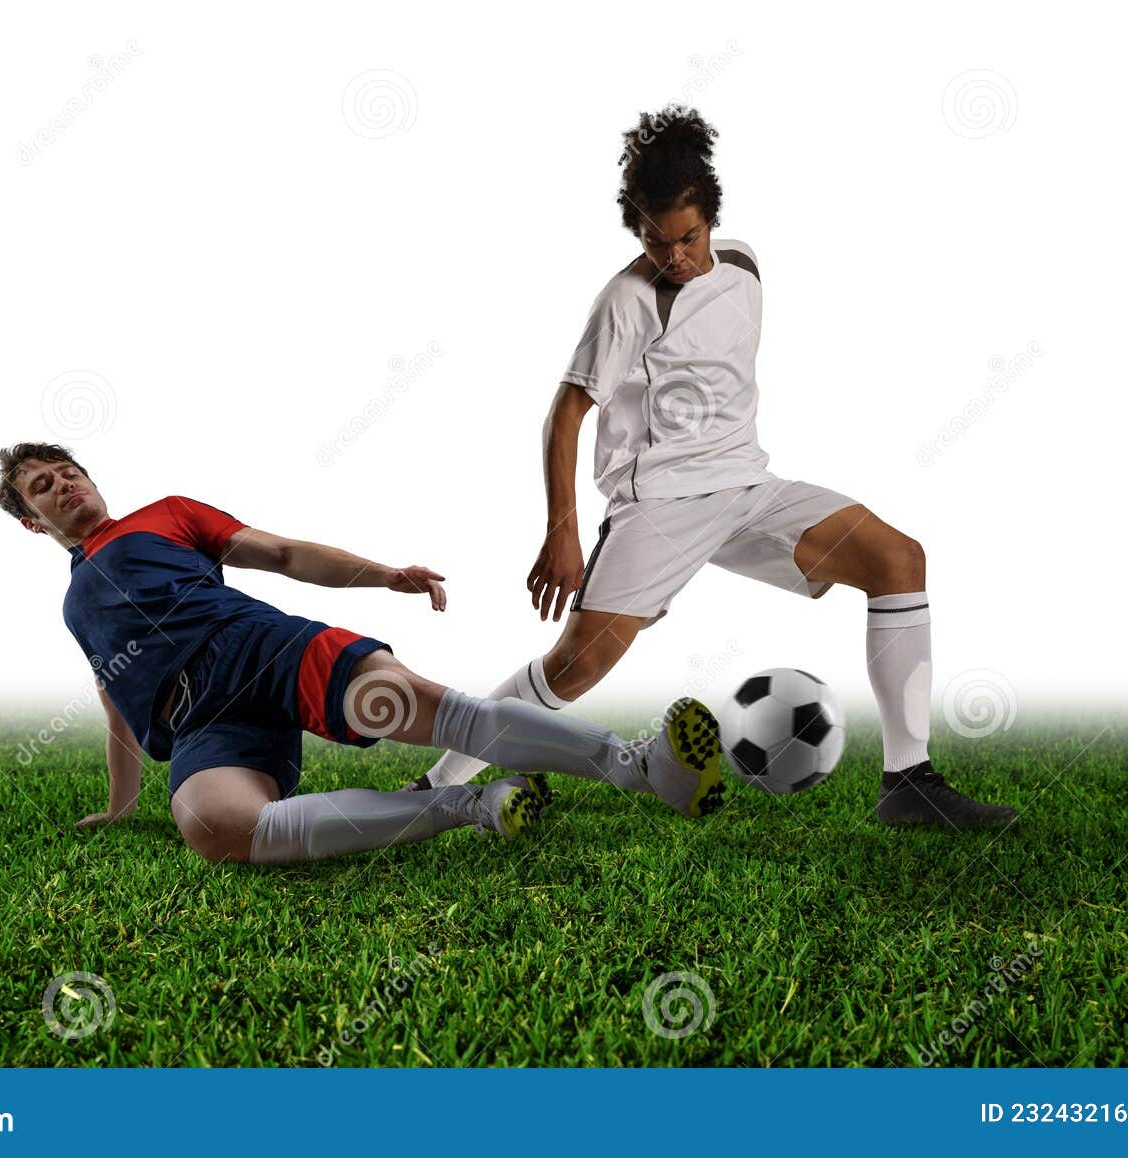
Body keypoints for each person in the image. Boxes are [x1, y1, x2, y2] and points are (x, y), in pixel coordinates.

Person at [407, 106, 1016, 832]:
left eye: (689, 237)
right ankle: (437, 786)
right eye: (656, 240)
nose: (676, 256)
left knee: (898, 559)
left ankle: (907, 781)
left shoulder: (748, 264)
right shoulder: (628, 300)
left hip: (747, 488)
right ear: (637, 230)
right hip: (660, 505)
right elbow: (565, 414)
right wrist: (562, 531)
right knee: (574, 669)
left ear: (712, 218)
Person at [0, 442, 725, 865]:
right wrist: (122, 806)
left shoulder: (165, 516)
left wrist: (381, 574)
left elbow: (280, 553)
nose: (64, 486)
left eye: (68, 472)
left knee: (412, 704)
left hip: (256, 645)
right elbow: (112, 698)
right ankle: (470, 805)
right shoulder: (74, 605)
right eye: (43, 488)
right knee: (215, 827)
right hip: (200, 723)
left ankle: (643, 767)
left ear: (89, 478)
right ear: (33, 522)